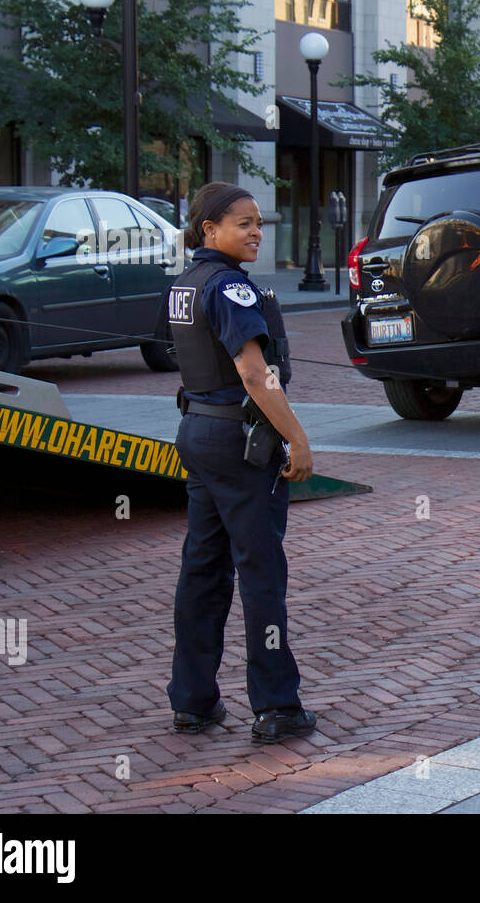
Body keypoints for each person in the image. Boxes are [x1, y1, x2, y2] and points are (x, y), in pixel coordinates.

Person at [166, 181, 318, 744]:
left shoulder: (186, 283)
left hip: (197, 431)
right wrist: (297, 439)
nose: (257, 232)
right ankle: (277, 706)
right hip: (239, 439)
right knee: (260, 572)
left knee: (202, 569)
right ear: (209, 229)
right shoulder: (230, 288)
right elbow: (256, 374)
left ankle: (193, 702)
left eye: (259, 223)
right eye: (243, 223)